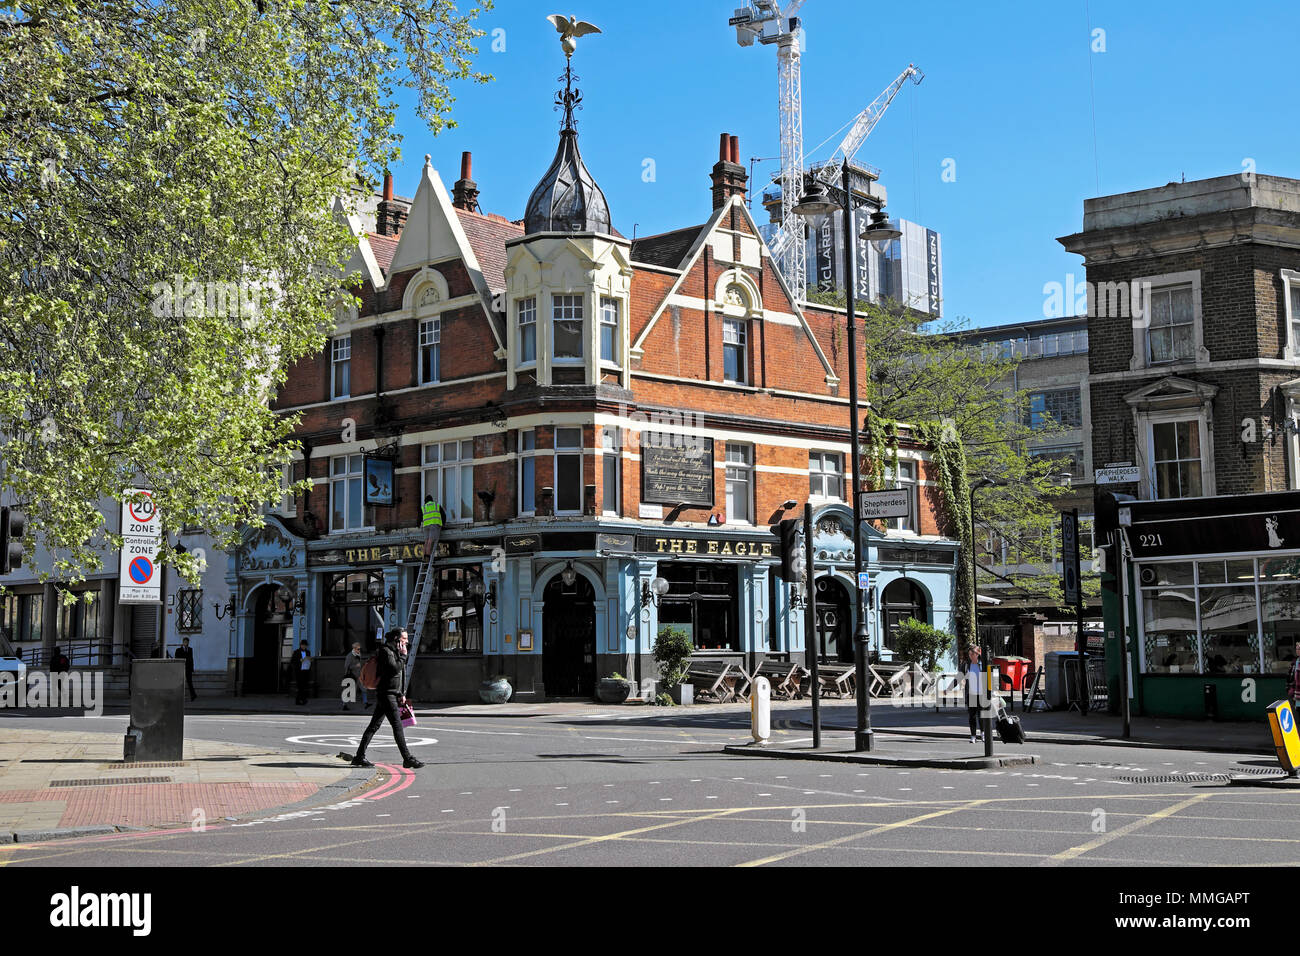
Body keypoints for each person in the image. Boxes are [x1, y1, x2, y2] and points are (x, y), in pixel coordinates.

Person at [352, 628, 423, 769]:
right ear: (396, 639)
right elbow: (393, 669)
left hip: (391, 693)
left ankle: (359, 756)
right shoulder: (385, 651)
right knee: (397, 726)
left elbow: (400, 674)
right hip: (386, 694)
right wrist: (403, 656)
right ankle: (407, 758)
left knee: (374, 726)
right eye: (404, 639)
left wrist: (401, 694)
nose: (407, 642)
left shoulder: (395, 651)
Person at [963, 644, 987, 744]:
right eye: (969, 654)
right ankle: (973, 736)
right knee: (972, 716)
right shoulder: (966, 664)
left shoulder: (984, 664)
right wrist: (949, 688)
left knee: (981, 715)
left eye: (973, 654)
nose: (971, 656)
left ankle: (983, 733)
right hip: (971, 694)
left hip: (981, 693)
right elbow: (959, 676)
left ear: (978, 654)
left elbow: (989, 677)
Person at [342, 641, 370, 711]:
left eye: (360, 649)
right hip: (352, 675)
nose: (359, 650)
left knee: (363, 688)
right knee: (348, 691)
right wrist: (355, 666)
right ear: (354, 649)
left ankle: (366, 702)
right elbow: (346, 666)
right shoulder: (349, 656)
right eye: (358, 649)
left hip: (358, 675)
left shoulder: (358, 654)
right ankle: (344, 705)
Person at [289, 640, 312, 705]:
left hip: (305, 671)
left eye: (305, 645)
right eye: (303, 645)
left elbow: (309, 660)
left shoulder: (308, 652)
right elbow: (292, 661)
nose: (304, 646)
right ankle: (301, 700)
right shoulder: (296, 652)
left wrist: (310, 660)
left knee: (304, 686)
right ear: (301, 645)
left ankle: (300, 700)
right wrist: (300, 660)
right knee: (300, 686)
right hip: (299, 672)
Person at [422, 494, 443, 560]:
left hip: (425, 525)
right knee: (430, 541)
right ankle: (428, 557)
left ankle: (423, 558)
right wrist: (443, 524)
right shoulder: (436, 505)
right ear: (431, 500)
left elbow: (420, 518)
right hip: (434, 524)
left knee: (426, 542)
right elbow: (443, 515)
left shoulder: (424, 507)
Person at [1288, 641, 1300, 712]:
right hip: (1297, 692)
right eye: (1296, 649)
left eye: (1299, 649)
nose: (1297, 651)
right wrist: (1290, 688)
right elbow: (1291, 676)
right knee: (1298, 710)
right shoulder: (1295, 661)